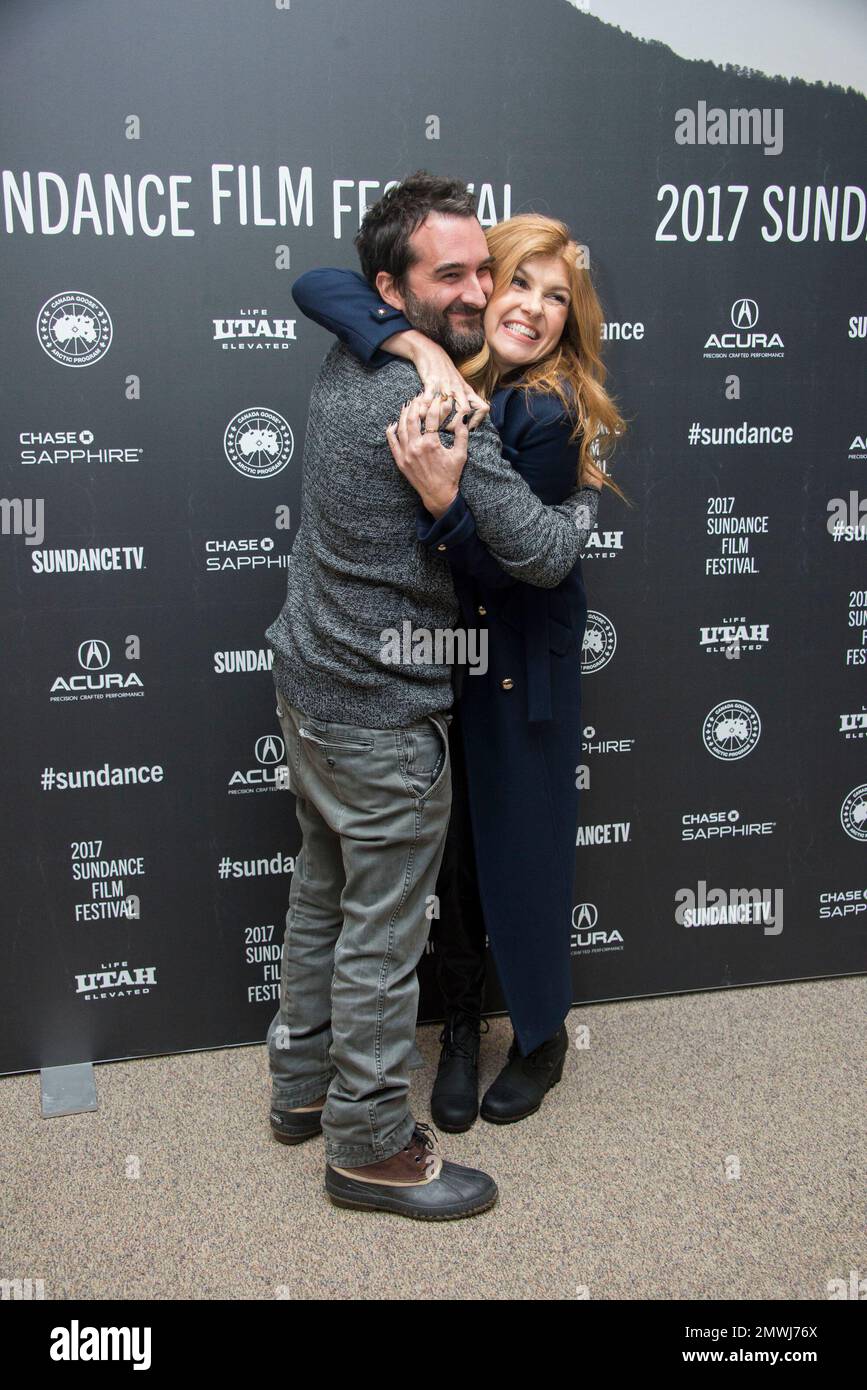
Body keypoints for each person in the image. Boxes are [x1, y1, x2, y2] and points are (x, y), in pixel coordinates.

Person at [264, 173, 600, 1220]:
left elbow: (316, 283)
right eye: (449, 275)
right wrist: (588, 495)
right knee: (376, 930)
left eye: (481, 270)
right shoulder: (440, 402)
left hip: (309, 693)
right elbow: (544, 553)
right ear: (391, 287)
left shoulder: (353, 349)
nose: (475, 291)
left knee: (321, 893)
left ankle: (299, 1087)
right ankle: (367, 1144)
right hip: (383, 719)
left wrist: (406, 337)